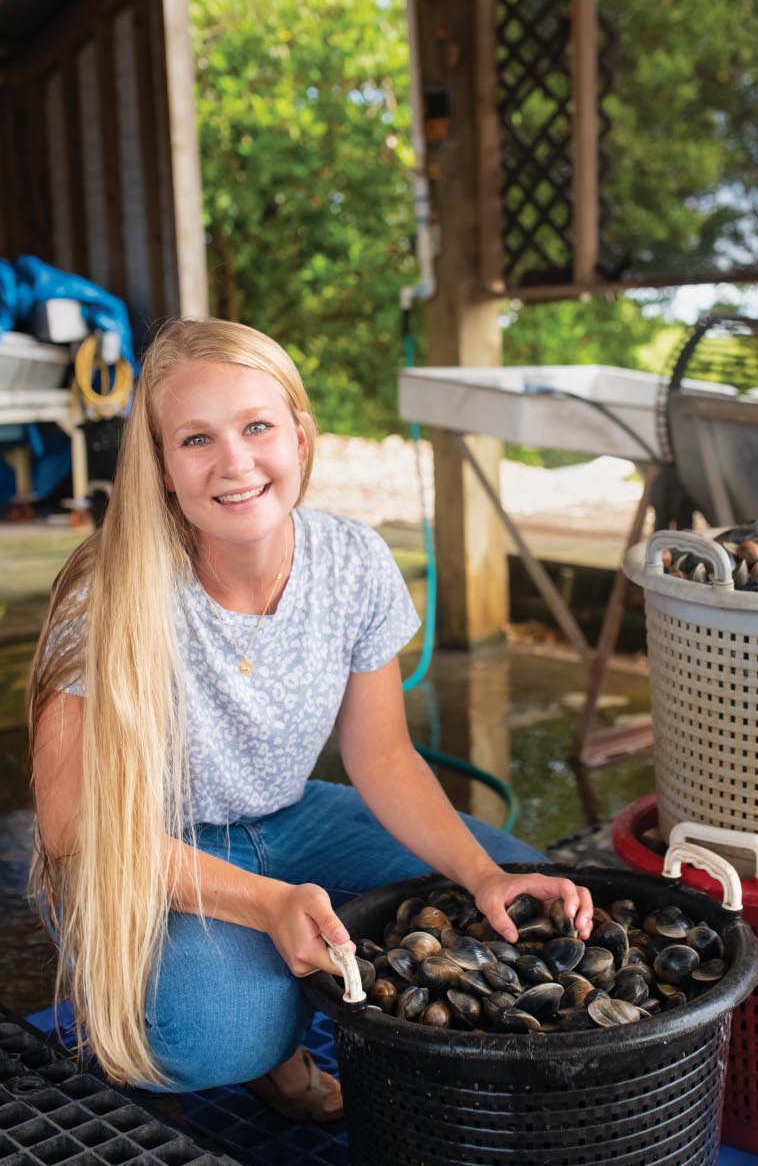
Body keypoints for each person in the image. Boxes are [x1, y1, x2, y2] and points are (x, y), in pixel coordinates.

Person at [28, 318, 594, 1122]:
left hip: (296, 818)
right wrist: (264, 904)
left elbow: (384, 757)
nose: (235, 462)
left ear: (299, 436)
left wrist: (482, 874)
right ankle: (266, 1038)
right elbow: (71, 827)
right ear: (160, 467)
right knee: (202, 1032)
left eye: (257, 426)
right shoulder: (106, 593)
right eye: (196, 439)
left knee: (521, 907)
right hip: (153, 851)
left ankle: (285, 967)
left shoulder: (354, 560)